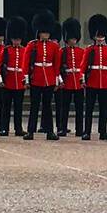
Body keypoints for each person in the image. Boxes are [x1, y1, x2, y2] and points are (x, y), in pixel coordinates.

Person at [24, 10, 61, 140]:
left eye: (47, 32)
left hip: (49, 79)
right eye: (43, 32)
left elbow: (56, 65)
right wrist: (27, 80)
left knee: (47, 107)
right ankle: (30, 131)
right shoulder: (32, 45)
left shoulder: (54, 46)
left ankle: (49, 131)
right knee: (34, 106)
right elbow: (26, 64)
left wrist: (56, 80)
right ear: (39, 32)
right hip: (36, 79)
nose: (45, 34)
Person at [81, 14, 107, 141]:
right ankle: (87, 132)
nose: (100, 37)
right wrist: (83, 80)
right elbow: (83, 66)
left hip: (105, 82)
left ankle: (103, 132)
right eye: (98, 35)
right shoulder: (89, 49)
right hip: (92, 82)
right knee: (89, 108)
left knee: (104, 109)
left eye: (101, 35)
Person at [0, 16, 29, 137]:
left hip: (19, 83)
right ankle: (4, 128)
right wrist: (0, 80)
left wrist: (26, 81)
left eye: (18, 39)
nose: (16, 41)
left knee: (18, 108)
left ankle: (18, 128)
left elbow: (26, 67)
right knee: (6, 108)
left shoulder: (24, 50)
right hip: (8, 82)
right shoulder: (6, 50)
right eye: (14, 39)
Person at [57, 17, 86, 137]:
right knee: (65, 108)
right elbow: (58, 68)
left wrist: (83, 80)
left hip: (78, 82)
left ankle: (80, 129)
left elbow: (83, 67)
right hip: (67, 81)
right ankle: (62, 128)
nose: (73, 41)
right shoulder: (62, 51)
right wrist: (60, 80)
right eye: (70, 39)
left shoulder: (81, 51)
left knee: (79, 108)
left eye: (74, 38)